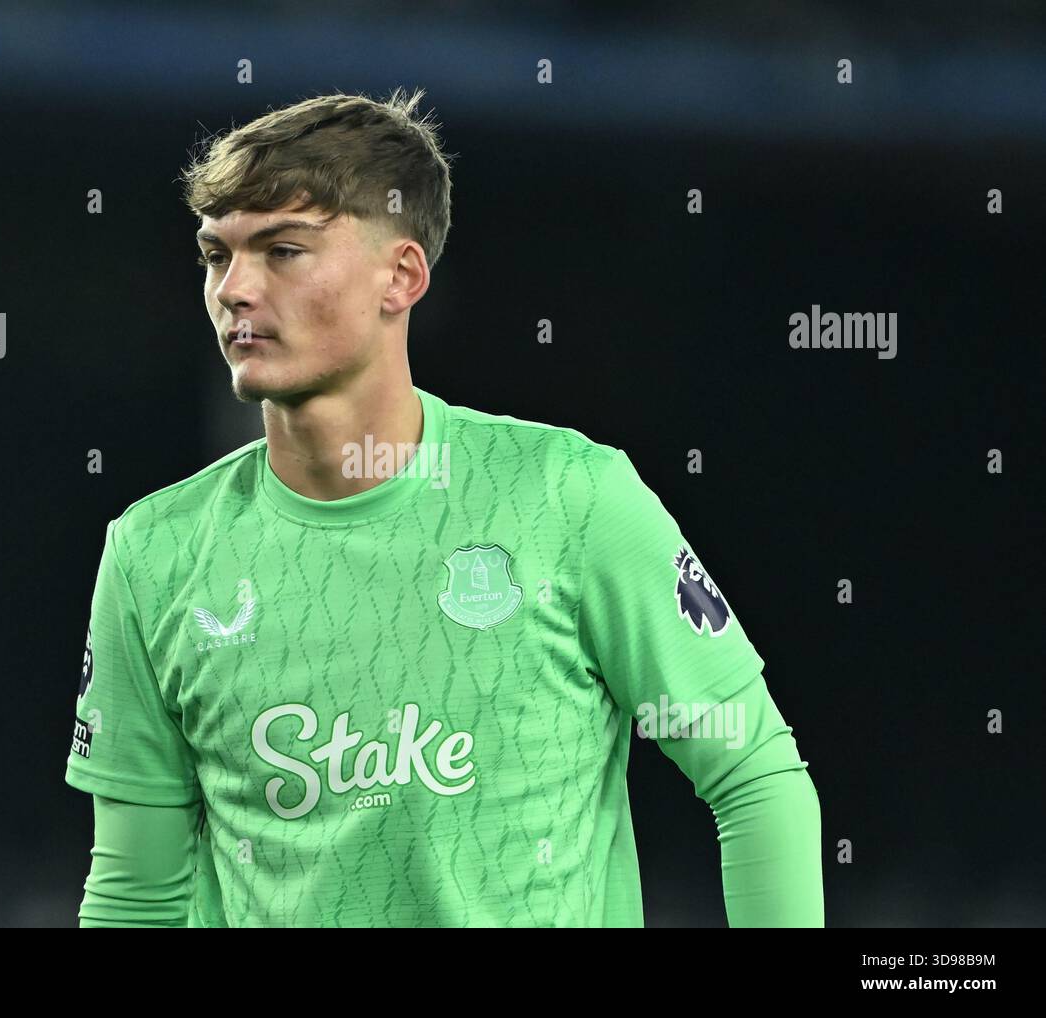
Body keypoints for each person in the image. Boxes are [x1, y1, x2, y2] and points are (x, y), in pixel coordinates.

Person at [64, 87, 822, 927]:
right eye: (216, 255)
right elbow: (138, 894)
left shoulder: (568, 497)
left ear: (402, 276)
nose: (234, 289)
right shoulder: (153, 555)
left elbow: (754, 776)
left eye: (282, 250)